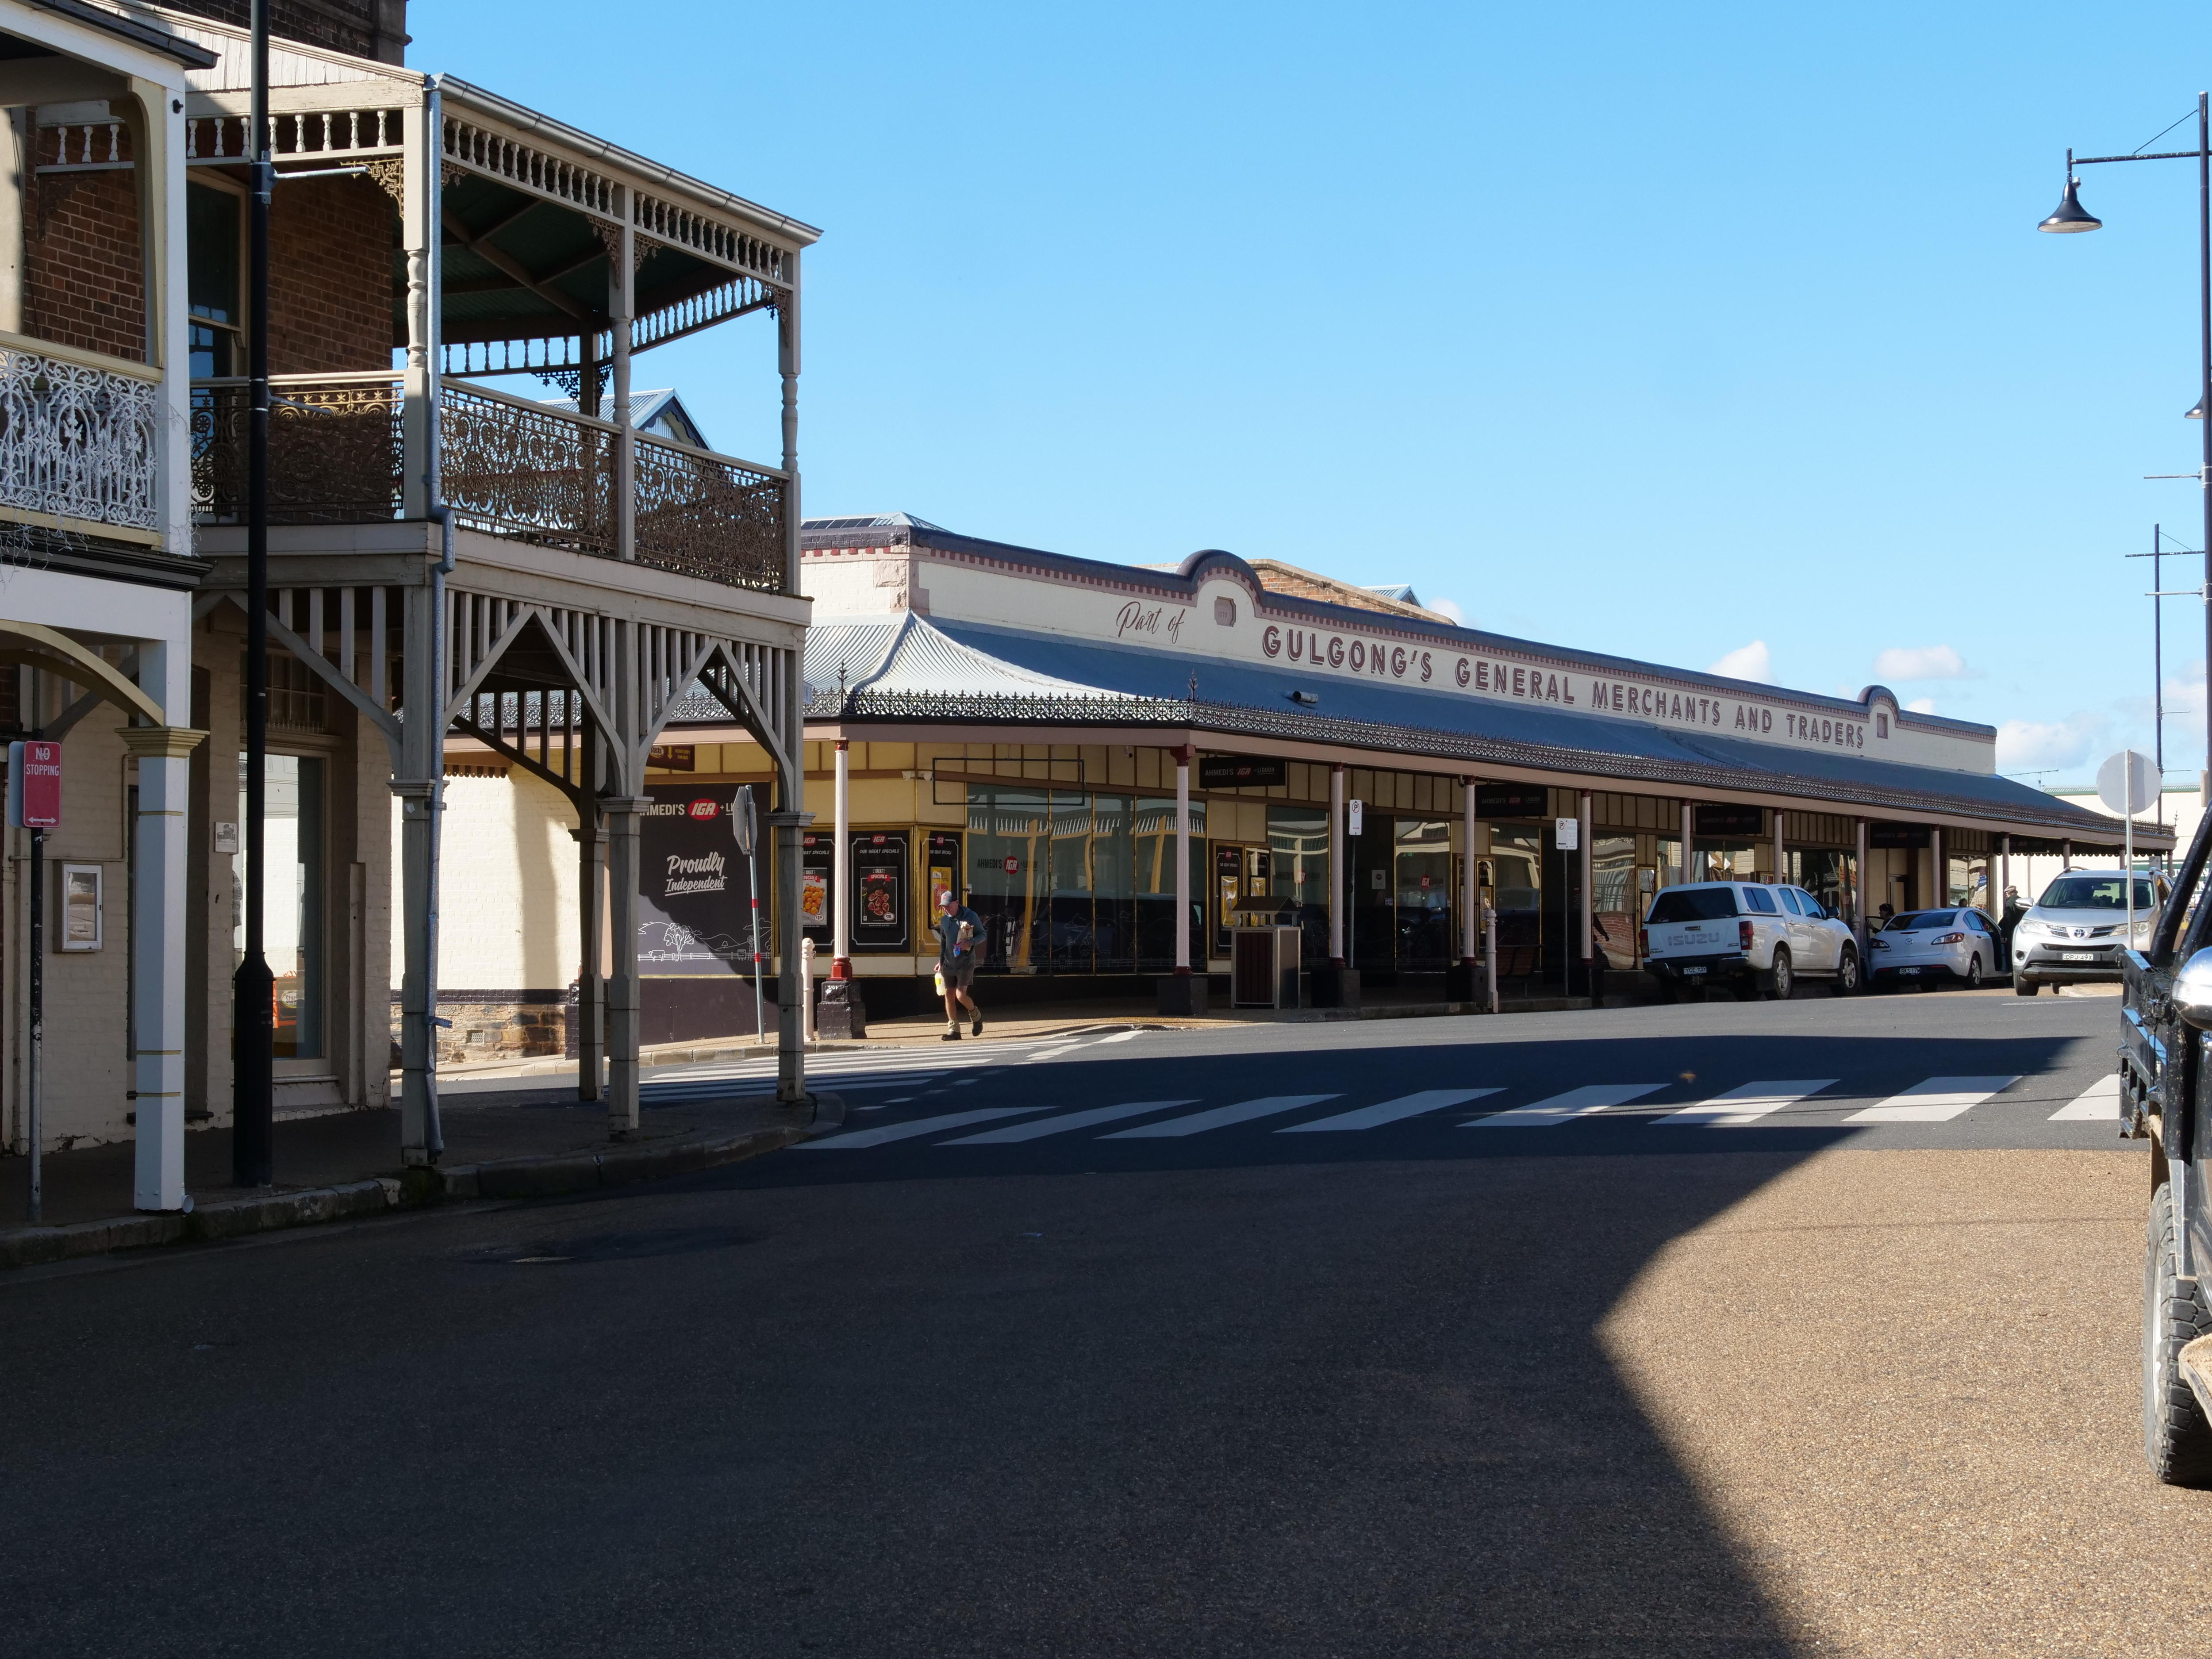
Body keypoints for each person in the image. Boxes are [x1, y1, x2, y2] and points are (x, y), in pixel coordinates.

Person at [934, 888, 985, 1040]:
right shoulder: (944, 920)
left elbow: (983, 934)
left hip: (966, 962)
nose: (946, 909)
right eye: (943, 906)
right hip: (949, 963)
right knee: (949, 995)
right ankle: (954, 1031)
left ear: (957, 903)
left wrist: (969, 943)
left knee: (960, 995)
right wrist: (941, 961)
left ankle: (976, 1017)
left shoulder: (971, 916)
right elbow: (944, 942)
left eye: (949, 905)